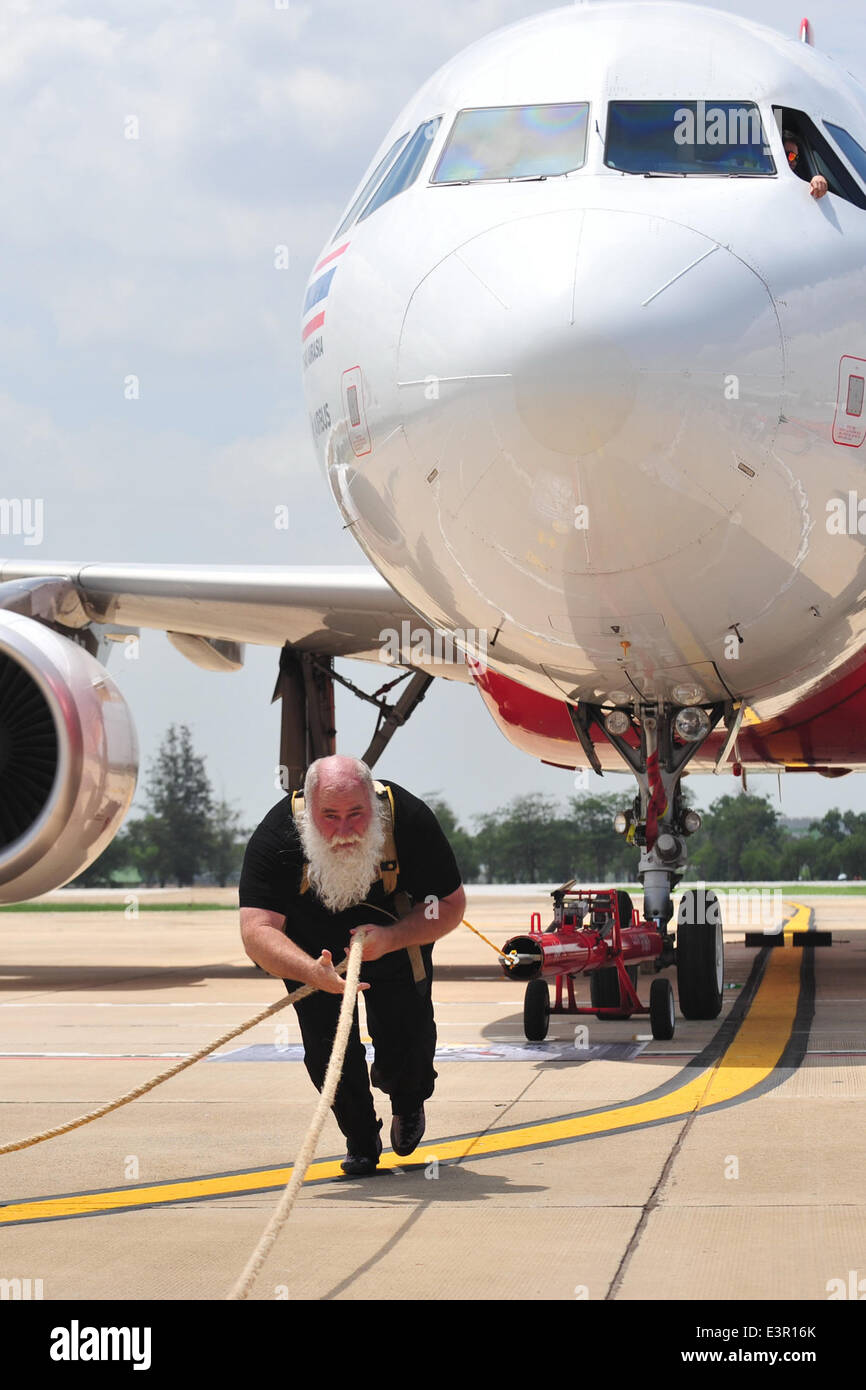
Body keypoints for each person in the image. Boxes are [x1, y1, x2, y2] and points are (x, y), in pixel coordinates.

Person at [238, 754, 465, 1176]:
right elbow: (256, 931)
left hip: (394, 934)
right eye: (330, 816)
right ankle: (360, 1135)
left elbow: (448, 906)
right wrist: (309, 971)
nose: (344, 831)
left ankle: (408, 1101)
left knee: (408, 1035)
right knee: (327, 1051)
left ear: (373, 804)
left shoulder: (409, 818)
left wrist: (394, 938)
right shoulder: (278, 833)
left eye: (356, 814)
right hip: (312, 952)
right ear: (310, 808)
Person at [782, 130, 828, 199]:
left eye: (796, 157)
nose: (794, 161)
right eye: (790, 155)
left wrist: (818, 179)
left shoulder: (798, 177)